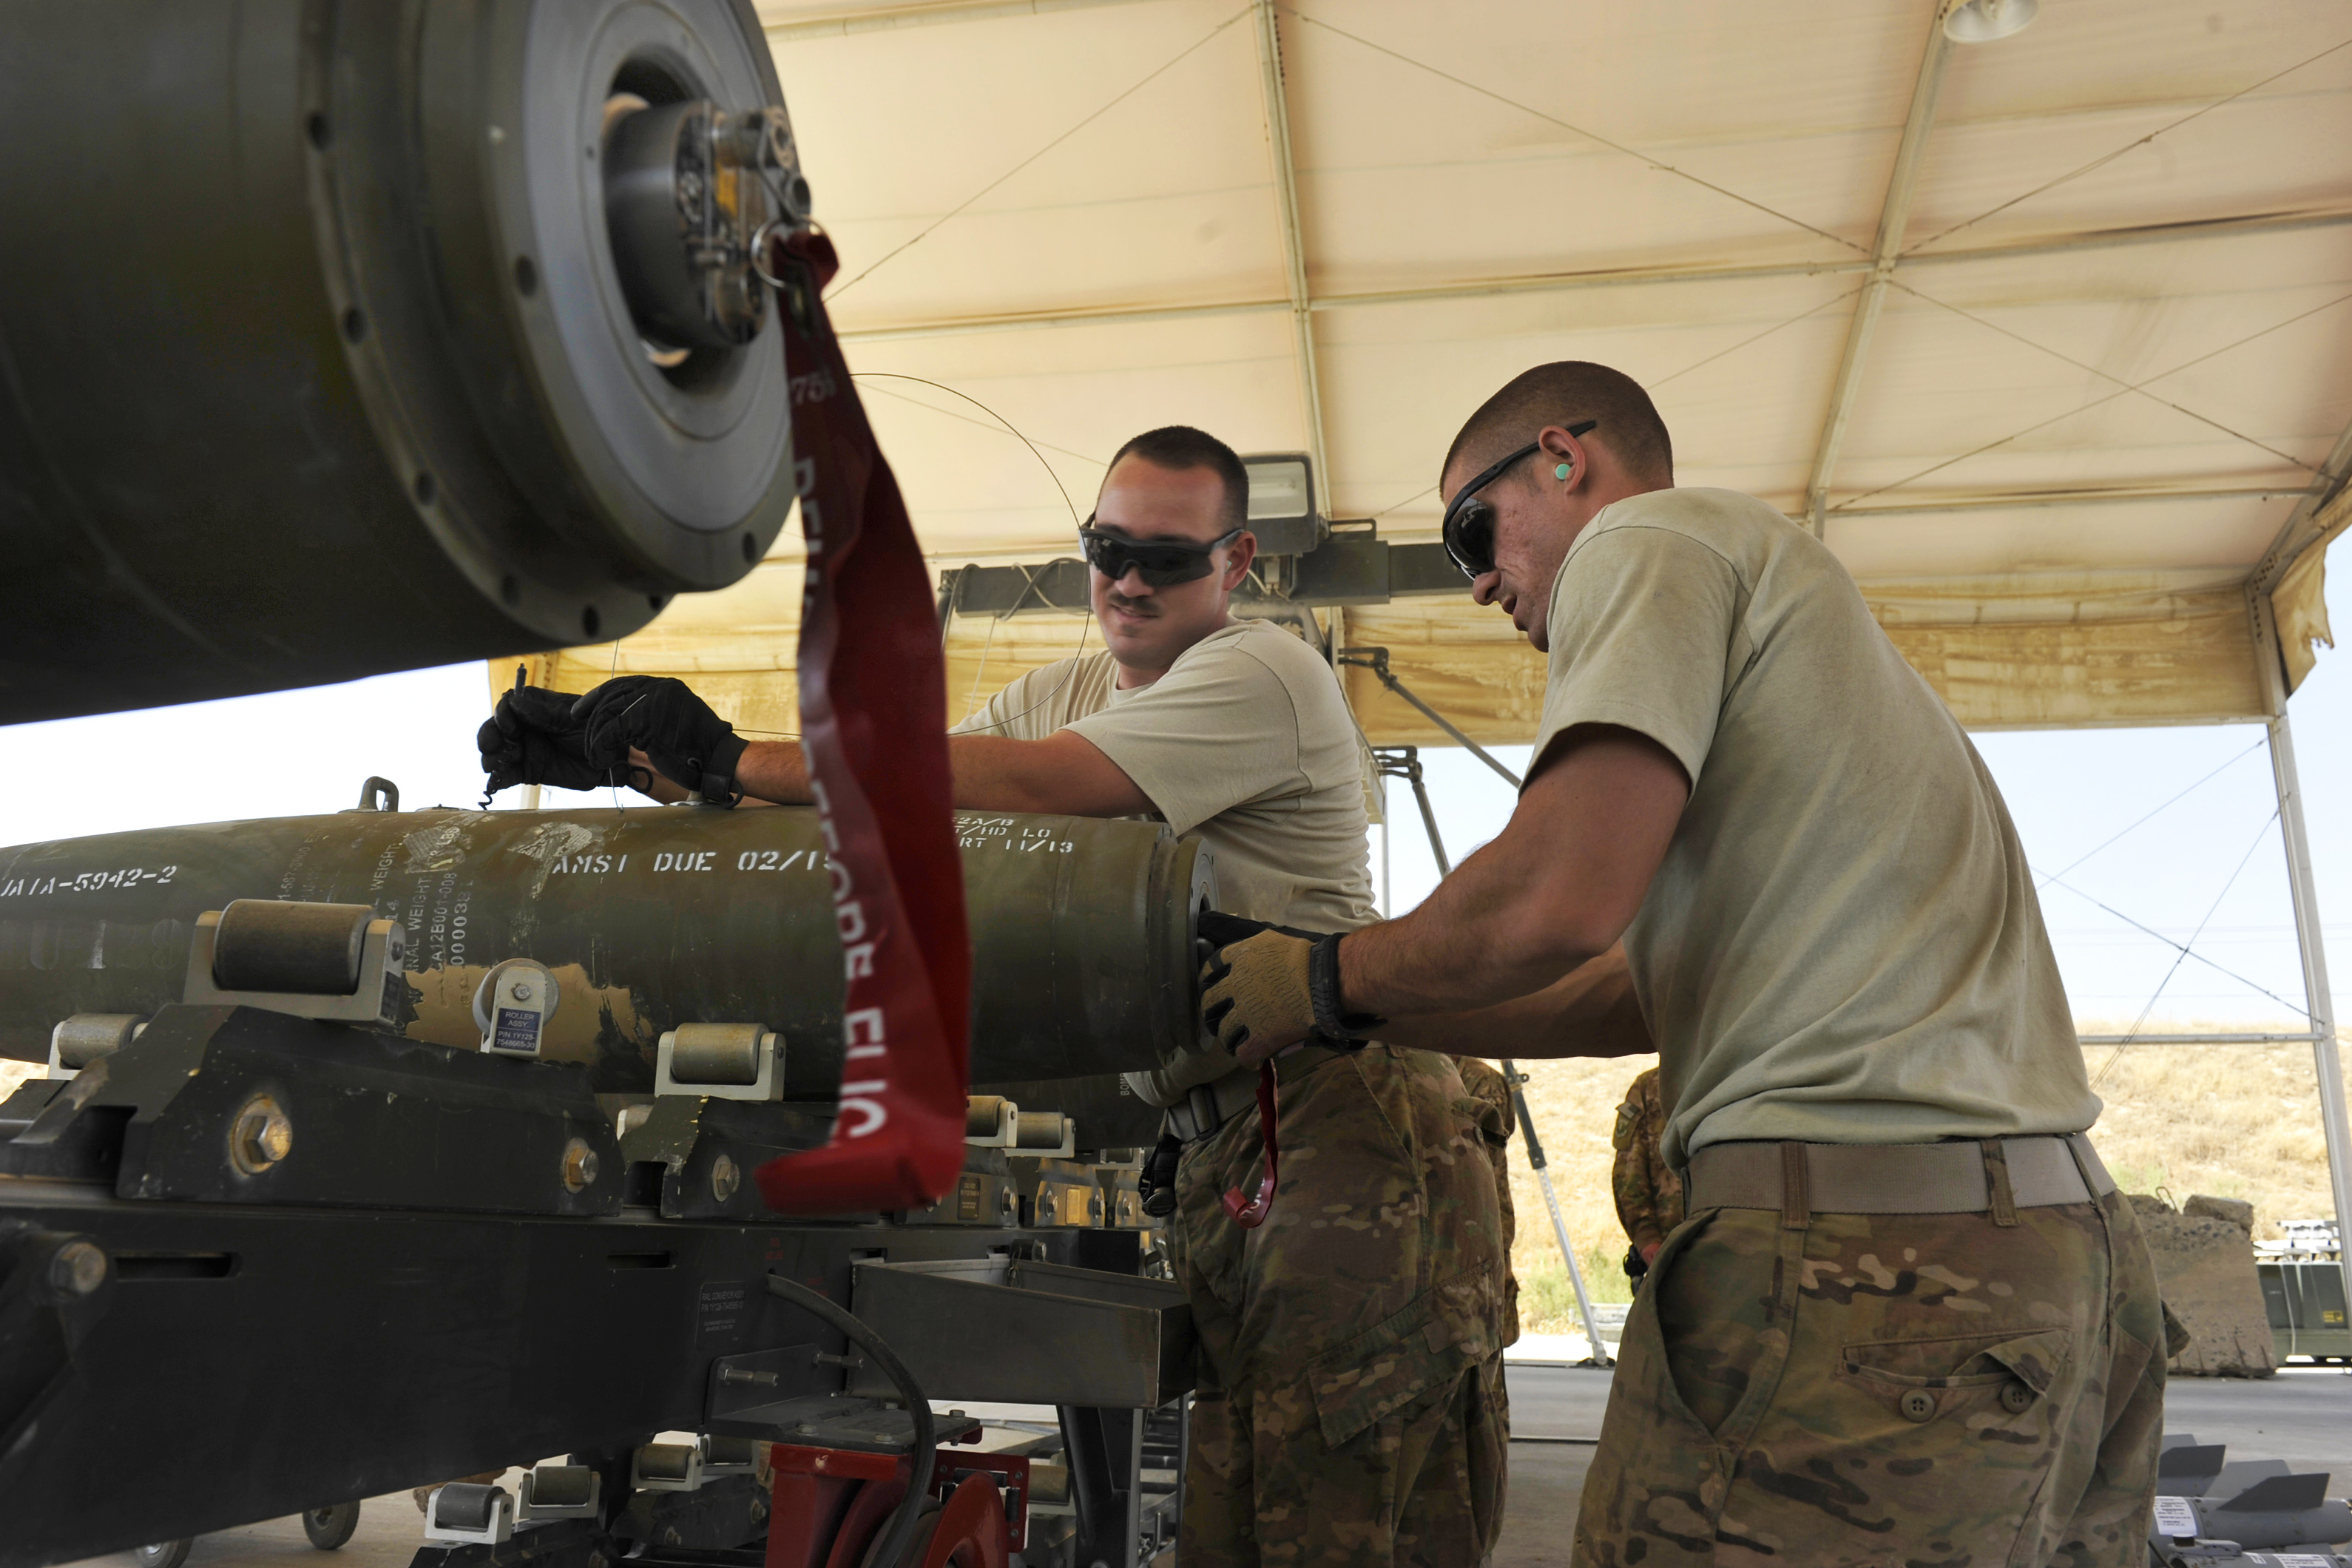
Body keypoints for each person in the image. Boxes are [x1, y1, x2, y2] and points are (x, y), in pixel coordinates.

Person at [486, 425, 1519, 1566]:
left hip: (1344, 1130)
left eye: (1165, 559)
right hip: (1241, 1150)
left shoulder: (1258, 669)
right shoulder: (1074, 687)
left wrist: (734, 756)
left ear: (1235, 562)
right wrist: (648, 765)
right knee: (1242, 1528)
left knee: (1334, 1527)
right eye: (1107, 547)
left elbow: (1038, 785)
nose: (1126, 580)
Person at [1196, 362, 2166, 1567]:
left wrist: (1329, 972)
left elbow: (1557, 894)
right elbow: (1629, 989)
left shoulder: (1647, 537)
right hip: (2056, 1255)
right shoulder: (1791, 643)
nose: (1482, 581)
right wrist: (1364, 1013)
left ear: (1563, 458)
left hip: (1870, 1266)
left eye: (1470, 532)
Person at [1610, 1064, 1683, 1283]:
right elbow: (1629, 1174)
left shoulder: (1740, 1078)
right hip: (1670, 1253)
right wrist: (1647, 1238)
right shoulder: (1650, 1087)